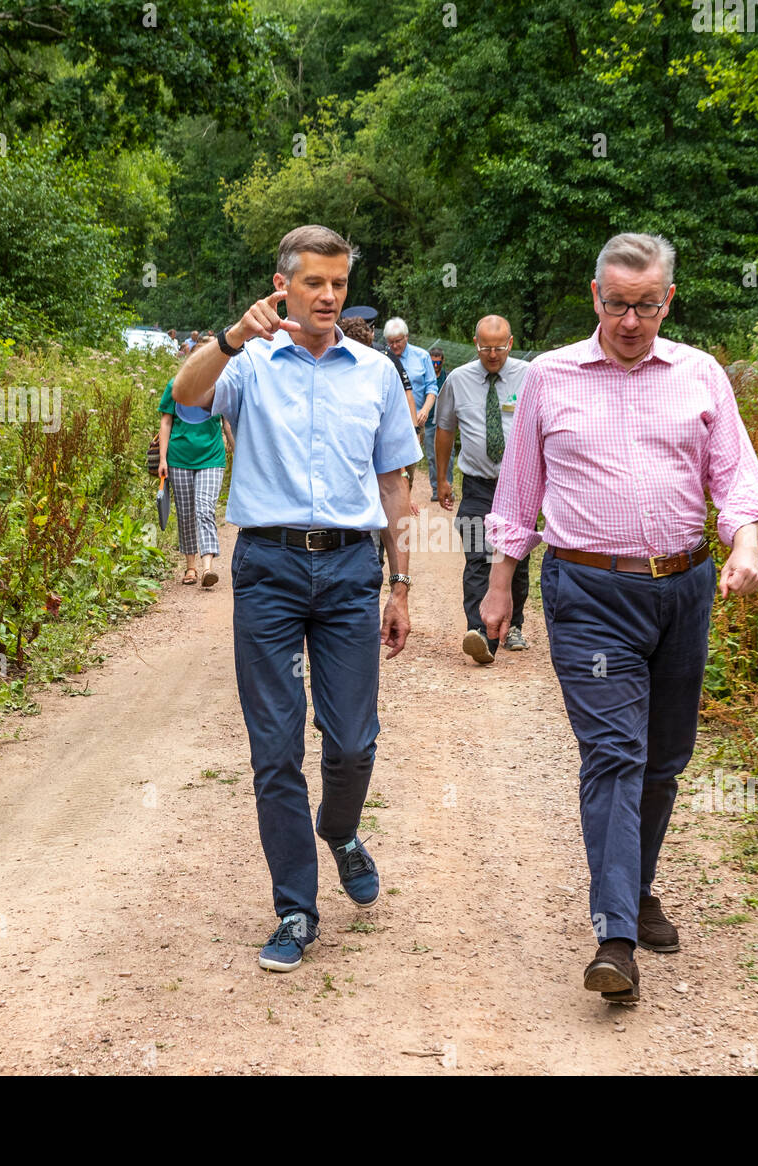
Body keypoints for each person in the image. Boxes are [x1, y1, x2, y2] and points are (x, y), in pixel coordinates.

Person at [483, 232, 758, 1006]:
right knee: (614, 752)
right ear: (595, 297)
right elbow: (517, 491)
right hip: (589, 591)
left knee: (665, 758)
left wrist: (744, 542)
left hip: (684, 588)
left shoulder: (700, 374)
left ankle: (636, 885)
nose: (632, 321)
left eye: (647, 305)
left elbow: (735, 476)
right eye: (617, 304)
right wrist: (500, 583)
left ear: (668, 300)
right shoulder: (549, 377)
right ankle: (615, 935)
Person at [172, 225, 420, 974]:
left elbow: (395, 487)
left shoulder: (377, 373)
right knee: (275, 746)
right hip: (271, 569)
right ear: (283, 284)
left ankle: (340, 829)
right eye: (314, 283)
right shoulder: (248, 363)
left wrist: (401, 584)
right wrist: (226, 338)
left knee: (351, 740)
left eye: (339, 284)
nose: (329, 296)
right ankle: (294, 908)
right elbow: (184, 399)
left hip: (349, 573)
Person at [435, 315, 531, 663]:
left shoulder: (529, 375)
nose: (493, 355)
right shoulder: (459, 380)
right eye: (486, 348)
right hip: (476, 484)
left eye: (500, 347)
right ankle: (479, 632)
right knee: (478, 556)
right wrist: (443, 478)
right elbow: (445, 428)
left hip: (518, 484)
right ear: (476, 344)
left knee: (514, 558)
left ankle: (514, 623)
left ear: (510, 342)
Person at [340, 315, 421, 567]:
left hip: (376, 481)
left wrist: (407, 477)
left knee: (373, 545)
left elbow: (407, 400)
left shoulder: (385, 365)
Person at [156, 377, 234, 587]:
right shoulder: (175, 385)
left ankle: (208, 567)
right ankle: (191, 567)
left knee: (204, 508)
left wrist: (239, 453)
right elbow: (166, 421)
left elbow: (227, 423)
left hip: (212, 457)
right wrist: (163, 459)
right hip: (179, 457)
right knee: (186, 512)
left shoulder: (221, 386)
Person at [384, 318, 446, 500]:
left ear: (407, 337)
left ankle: (403, 500)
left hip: (414, 423)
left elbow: (432, 388)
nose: (394, 346)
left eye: (398, 341)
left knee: (408, 468)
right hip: (389, 422)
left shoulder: (421, 357)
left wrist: (425, 410)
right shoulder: (383, 357)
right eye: (391, 342)